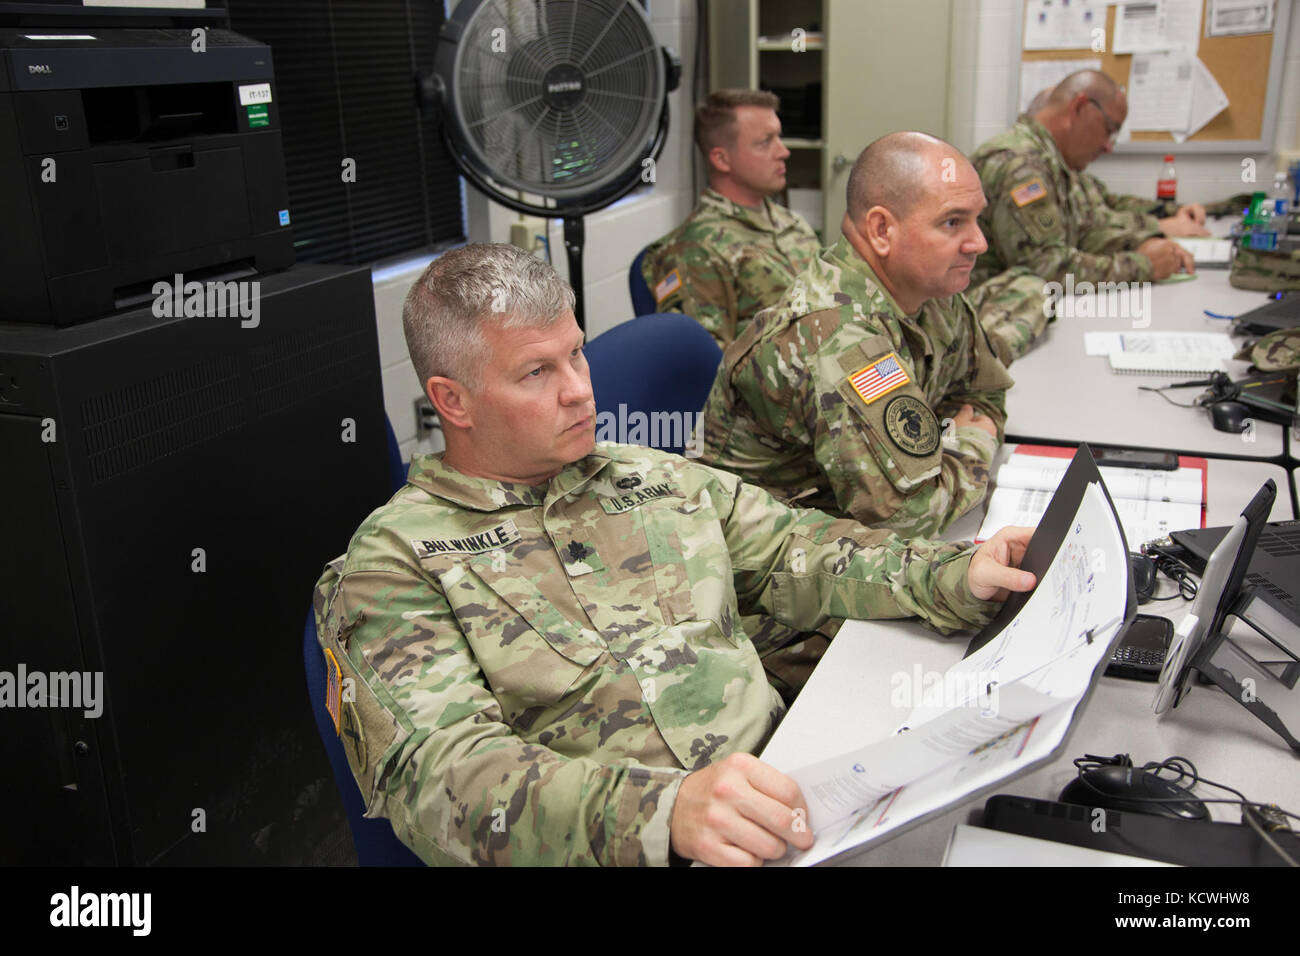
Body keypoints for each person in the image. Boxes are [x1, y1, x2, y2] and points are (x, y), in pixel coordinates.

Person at [312, 242, 1036, 867]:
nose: (579, 391)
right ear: (454, 401)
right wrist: (665, 814)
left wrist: (954, 573)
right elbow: (441, 782)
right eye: (537, 373)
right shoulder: (395, 565)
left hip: (792, 798)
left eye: (577, 354)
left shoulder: (646, 477)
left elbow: (798, 548)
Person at [699, 132, 1014, 540]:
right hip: (779, 555)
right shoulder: (838, 338)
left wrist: (944, 459)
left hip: (849, 537)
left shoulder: (932, 291)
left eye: (977, 218)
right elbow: (908, 518)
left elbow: (986, 391)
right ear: (882, 230)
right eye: (953, 222)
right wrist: (972, 443)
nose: (979, 243)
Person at [971, 70, 1202, 295]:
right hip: (991, 319)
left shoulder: (1052, 162)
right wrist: (1143, 265)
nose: (1108, 146)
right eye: (1109, 129)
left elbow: (1086, 230)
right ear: (1080, 108)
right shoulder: (1021, 165)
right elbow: (1046, 270)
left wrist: (1142, 241)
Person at [640, 89, 821, 347]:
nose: (783, 151)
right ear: (722, 159)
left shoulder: (791, 222)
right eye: (765, 142)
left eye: (779, 137)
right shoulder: (696, 248)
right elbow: (709, 366)